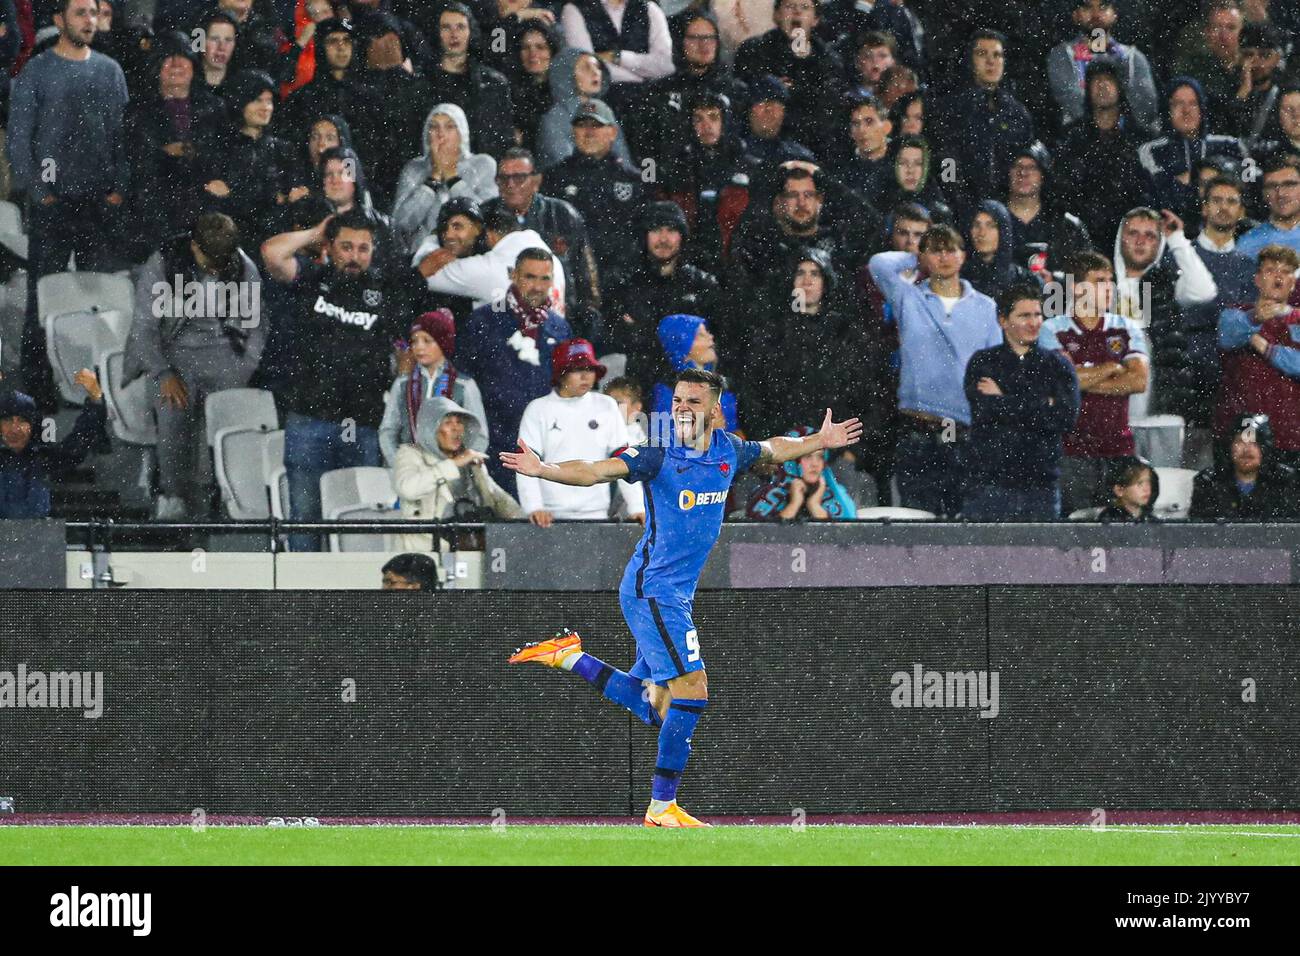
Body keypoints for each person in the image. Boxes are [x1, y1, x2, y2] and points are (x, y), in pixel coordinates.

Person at [502, 369, 862, 827]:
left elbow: (774, 448)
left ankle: (571, 658)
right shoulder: (656, 455)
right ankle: (660, 808)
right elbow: (596, 471)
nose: (681, 409)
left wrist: (818, 440)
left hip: (673, 593)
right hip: (653, 590)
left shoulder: (728, 449)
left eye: (692, 401)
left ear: (714, 409)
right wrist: (545, 470)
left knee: (659, 706)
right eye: (676, 401)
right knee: (694, 690)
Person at [261, 210, 422, 550]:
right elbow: (271, 253)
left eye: (363, 248)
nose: (354, 256)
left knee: (359, 524)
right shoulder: (311, 278)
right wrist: (315, 230)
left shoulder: (385, 291)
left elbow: (403, 351)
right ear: (330, 247)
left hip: (362, 423)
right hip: (308, 419)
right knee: (305, 523)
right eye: (346, 247)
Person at [6, 0, 129, 411]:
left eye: (94, 13)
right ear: (59, 20)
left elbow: (122, 137)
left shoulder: (110, 71)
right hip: (54, 206)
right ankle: (39, 399)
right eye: (80, 13)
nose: (89, 21)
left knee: (100, 305)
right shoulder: (37, 72)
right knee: (45, 301)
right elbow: (20, 140)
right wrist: (40, 193)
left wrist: (117, 190)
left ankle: (98, 401)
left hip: (99, 206)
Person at [122, 212, 265, 520]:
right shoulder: (164, 263)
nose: (216, 266)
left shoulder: (243, 268)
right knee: (173, 422)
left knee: (222, 437)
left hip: (225, 359)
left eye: (222, 258)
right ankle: (170, 496)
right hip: (173, 356)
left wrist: (241, 372)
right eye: (210, 258)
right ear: (194, 246)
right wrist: (163, 373)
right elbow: (143, 329)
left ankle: (216, 509)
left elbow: (255, 332)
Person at [869, 224, 1002, 516]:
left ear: (963, 256)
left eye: (950, 250)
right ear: (925, 257)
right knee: (917, 522)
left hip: (966, 434)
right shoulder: (908, 297)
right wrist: (915, 257)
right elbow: (878, 264)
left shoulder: (987, 307)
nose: (943, 257)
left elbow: (996, 365)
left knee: (963, 526)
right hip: (917, 430)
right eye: (935, 250)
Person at [454, 246, 572, 497]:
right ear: (513, 275)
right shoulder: (482, 321)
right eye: (530, 277)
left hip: (545, 445)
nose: (538, 286)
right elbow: (462, 382)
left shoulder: (559, 327)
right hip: (494, 443)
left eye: (545, 278)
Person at [1039, 251, 1151, 514]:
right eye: (1100, 281)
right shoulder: (1051, 329)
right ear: (1076, 288)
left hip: (1118, 451)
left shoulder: (1127, 327)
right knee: (1075, 533)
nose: (1109, 288)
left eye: (1110, 281)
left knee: (1120, 533)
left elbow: (1138, 381)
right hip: (1071, 452)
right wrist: (1111, 367)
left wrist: (1079, 380)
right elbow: (1059, 381)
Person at [962, 283, 1080, 521]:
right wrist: (1041, 404)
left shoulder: (1057, 365)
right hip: (991, 482)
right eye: (1024, 315)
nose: (1034, 322)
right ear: (1003, 321)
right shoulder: (983, 362)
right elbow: (984, 411)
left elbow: (1065, 418)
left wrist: (1003, 399)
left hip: (1041, 482)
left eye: (1037, 315)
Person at [515, 338, 642, 524]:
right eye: (577, 369)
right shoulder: (537, 409)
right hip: (547, 519)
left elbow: (623, 462)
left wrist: (637, 507)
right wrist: (534, 507)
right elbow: (524, 462)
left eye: (590, 369)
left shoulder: (606, 405)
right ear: (560, 373)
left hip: (597, 515)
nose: (586, 376)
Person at [603, 201, 720, 387]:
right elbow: (615, 338)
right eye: (656, 230)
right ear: (644, 236)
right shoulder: (625, 284)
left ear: (682, 236)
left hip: (694, 387)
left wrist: (645, 333)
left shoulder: (702, 284)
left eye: (671, 230)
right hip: (642, 388)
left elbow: (718, 339)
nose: (664, 239)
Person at [481, 147, 598, 322]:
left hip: (559, 320)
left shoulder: (563, 215)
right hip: (498, 319)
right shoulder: (483, 217)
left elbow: (587, 278)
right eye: (504, 178)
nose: (510, 184)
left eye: (519, 178)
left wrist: (586, 318)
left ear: (536, 181)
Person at [391, 395, 522, 550]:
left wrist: (526, 520)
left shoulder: (470, 460)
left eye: (459, 422)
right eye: (447, 422)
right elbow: (407, 489)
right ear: (430, 428)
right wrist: (453, 464)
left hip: (472, 546)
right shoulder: (410, 454)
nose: (456, 429)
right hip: (425, 550)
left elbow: (497, 498)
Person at [1216, 243, 1300, 469]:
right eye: (1271, 270)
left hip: (1290, 435)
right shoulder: (1235, 313)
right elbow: (1227, 337)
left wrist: (1263, 346)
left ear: (1293, 282)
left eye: (1286, 272)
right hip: (1241, 434)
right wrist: (1254, 318)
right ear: (1257, 278)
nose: (1278, 277)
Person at [412, 202, 567, 317]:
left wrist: (435, 235)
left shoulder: (492, 265)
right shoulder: (551, 259)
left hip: (512, 354)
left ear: (489, 235)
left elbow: (425, 271)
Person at [379, 308, 488, 468]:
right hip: (406, 475)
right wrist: (399, 465)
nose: (419, 347)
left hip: (448, 477)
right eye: (414, 341)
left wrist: (456, 467)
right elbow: (388, 431)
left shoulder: (464, 385)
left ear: (443, 342)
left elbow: (479, 437)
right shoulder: (402, 384)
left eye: (427, 340)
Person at [391, 103, 498, 257]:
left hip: (471, 257)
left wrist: (451, 176)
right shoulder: (414, 168)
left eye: (450, 127)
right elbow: (401, 224)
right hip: (422, 257)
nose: (441, 134)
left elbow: (486, 219)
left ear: (462, 132)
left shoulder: (483, 164)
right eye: (434, 127)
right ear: (426, 134)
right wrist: (433, 178)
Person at [0, 372, 109, 518]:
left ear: (32, 426)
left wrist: (96, 398)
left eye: (22, 420)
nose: (15, 428)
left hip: (39, 535)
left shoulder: (42, 457)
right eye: (7, 420)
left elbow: (78, 444)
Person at [1046, 0, 1158, 130]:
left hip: (1128, 137)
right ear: (1075, 15)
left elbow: (1146, 108)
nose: (1096, 14)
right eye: (1088, 7)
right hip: (1079, 138)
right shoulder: (1063, 55)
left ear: (1114, 14)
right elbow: (1071, 103)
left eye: (1103, 7)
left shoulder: (1133, 57)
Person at [1191, 412, 1297, 519]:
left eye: (1254, 443)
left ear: (1265, 448)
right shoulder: (1210, 481)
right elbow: (1200, 531)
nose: (1247, 449)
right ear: (1230, 447)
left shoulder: (1283, 481)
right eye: (1240, 441)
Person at [745, 424, 857, 520]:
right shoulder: (767, 496)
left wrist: (814, 505)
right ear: (791, 461)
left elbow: (847, 540)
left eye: (820, 457)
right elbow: (757, 540)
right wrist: (794, 504)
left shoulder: (836, 494)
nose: (815, 463)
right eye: (808, 456)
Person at [651, 313, 737, 432]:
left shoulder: (722, 382)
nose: (710, 337)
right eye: (700, 335)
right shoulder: (668, 390)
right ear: (683, 346)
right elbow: (662, 439)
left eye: (707, 332)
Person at [1236, 153, 1300, 259]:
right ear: (1264, 194)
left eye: (1289, 184)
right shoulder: (1248, 244)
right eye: (1272, 186)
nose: (1281, 194)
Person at [1097, 456, 1158, 521]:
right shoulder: (1110, 520)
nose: (1147, 489)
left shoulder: (1150, 520)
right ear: (1119, 490)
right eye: (1140, 484)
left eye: (1149, 482)